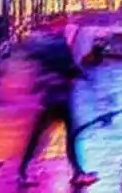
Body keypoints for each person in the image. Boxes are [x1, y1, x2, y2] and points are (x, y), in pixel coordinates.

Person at [18, 17, 98, 187]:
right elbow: (67, 67)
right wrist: (82, 72)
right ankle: (77, 173)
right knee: (68, 136)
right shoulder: (58, 44)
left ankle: (23, 171)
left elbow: (37, 61)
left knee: (40, 136)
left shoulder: (44, 43)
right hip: (59, 97)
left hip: (49, 95)